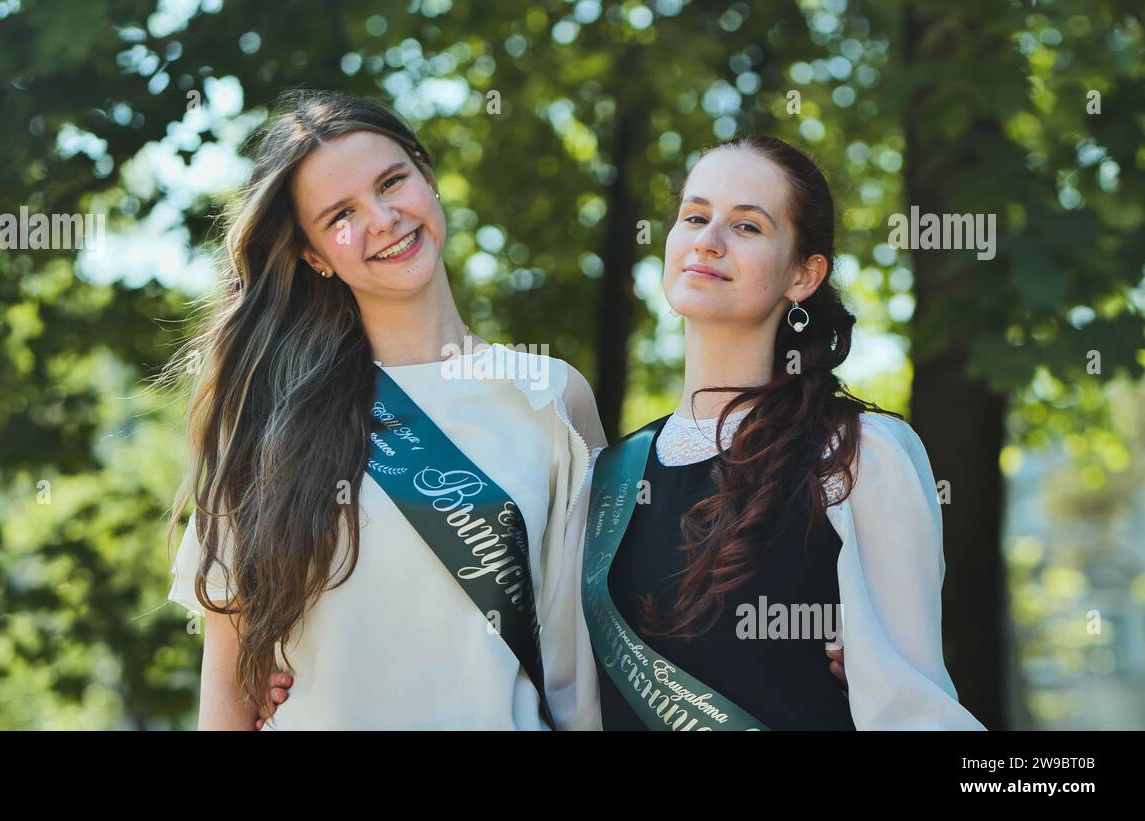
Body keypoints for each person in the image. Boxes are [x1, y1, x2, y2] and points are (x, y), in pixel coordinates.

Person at [164, 90, 607, 730]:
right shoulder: (269, 423)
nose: (382, 218)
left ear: (427, 179)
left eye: (392, 182)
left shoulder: (551, 397)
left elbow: (587, 662)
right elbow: (228, 700)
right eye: (341, 213)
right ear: (314, 255)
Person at [581, 136, 985, 730]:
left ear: (803, 274)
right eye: (695, 216)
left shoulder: (855, 455)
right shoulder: (606, 474)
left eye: (747, 227)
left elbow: (912, 713)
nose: (708, 240)